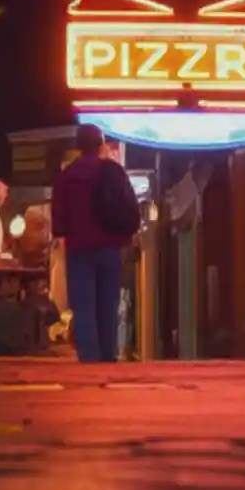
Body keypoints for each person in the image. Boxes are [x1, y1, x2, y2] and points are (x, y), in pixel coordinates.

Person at [51, 125, 140, 363]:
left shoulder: (67, 176)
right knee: (107, 305)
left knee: (84, 307)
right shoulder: (112, 171)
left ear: (78, 146)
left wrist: (63, 237)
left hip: (79, 249)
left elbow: (58, 217)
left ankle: (89, 359)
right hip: (109, 247)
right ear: (100, 144)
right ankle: (108, 356)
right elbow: (129, 207)